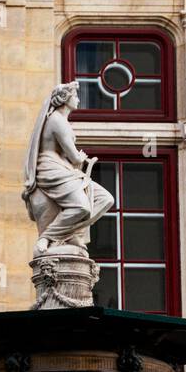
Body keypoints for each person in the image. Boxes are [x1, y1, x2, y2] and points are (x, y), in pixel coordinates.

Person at [21, 81, 113, 255]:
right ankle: (47, 237)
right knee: (82, 207)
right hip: (51, 170)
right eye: (75, 96)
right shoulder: (56, 120)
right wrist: (81, 157)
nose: (78, 99)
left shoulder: (62, 120)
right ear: (65, 98)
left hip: (66, 170)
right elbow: (73, 156)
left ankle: (69, 232)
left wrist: (78, 159)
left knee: (105, 199)